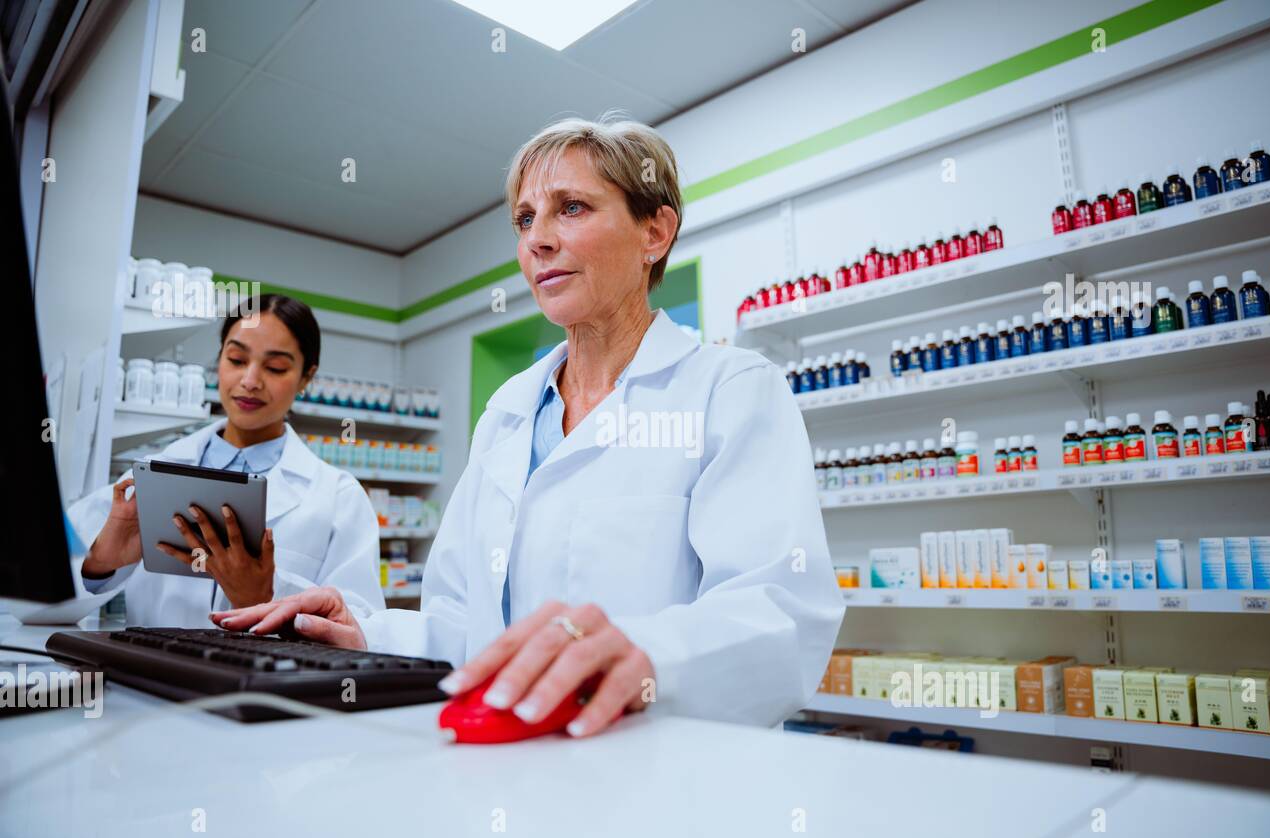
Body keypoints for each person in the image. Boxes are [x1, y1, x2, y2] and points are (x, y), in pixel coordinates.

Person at [214, 116, 843, 735]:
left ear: (655, 231)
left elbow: (781, 610)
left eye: (571, 207)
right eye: (525, 218)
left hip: (666, 775)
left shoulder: (728, 389)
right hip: (511, 767)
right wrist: (366, 632)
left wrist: (651, 655)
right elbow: (465, 622)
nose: (537, 240)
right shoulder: (509, 412)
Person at [69, 294, 383, 626]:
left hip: (267, 678)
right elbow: (42, 591)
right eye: (235, 359)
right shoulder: (149, 475)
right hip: (143, 675)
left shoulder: (338, 499)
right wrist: (100, 563)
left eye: (275, 367)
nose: (250, 381)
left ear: (307, 377)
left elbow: (359, 626)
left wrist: (266, 598)